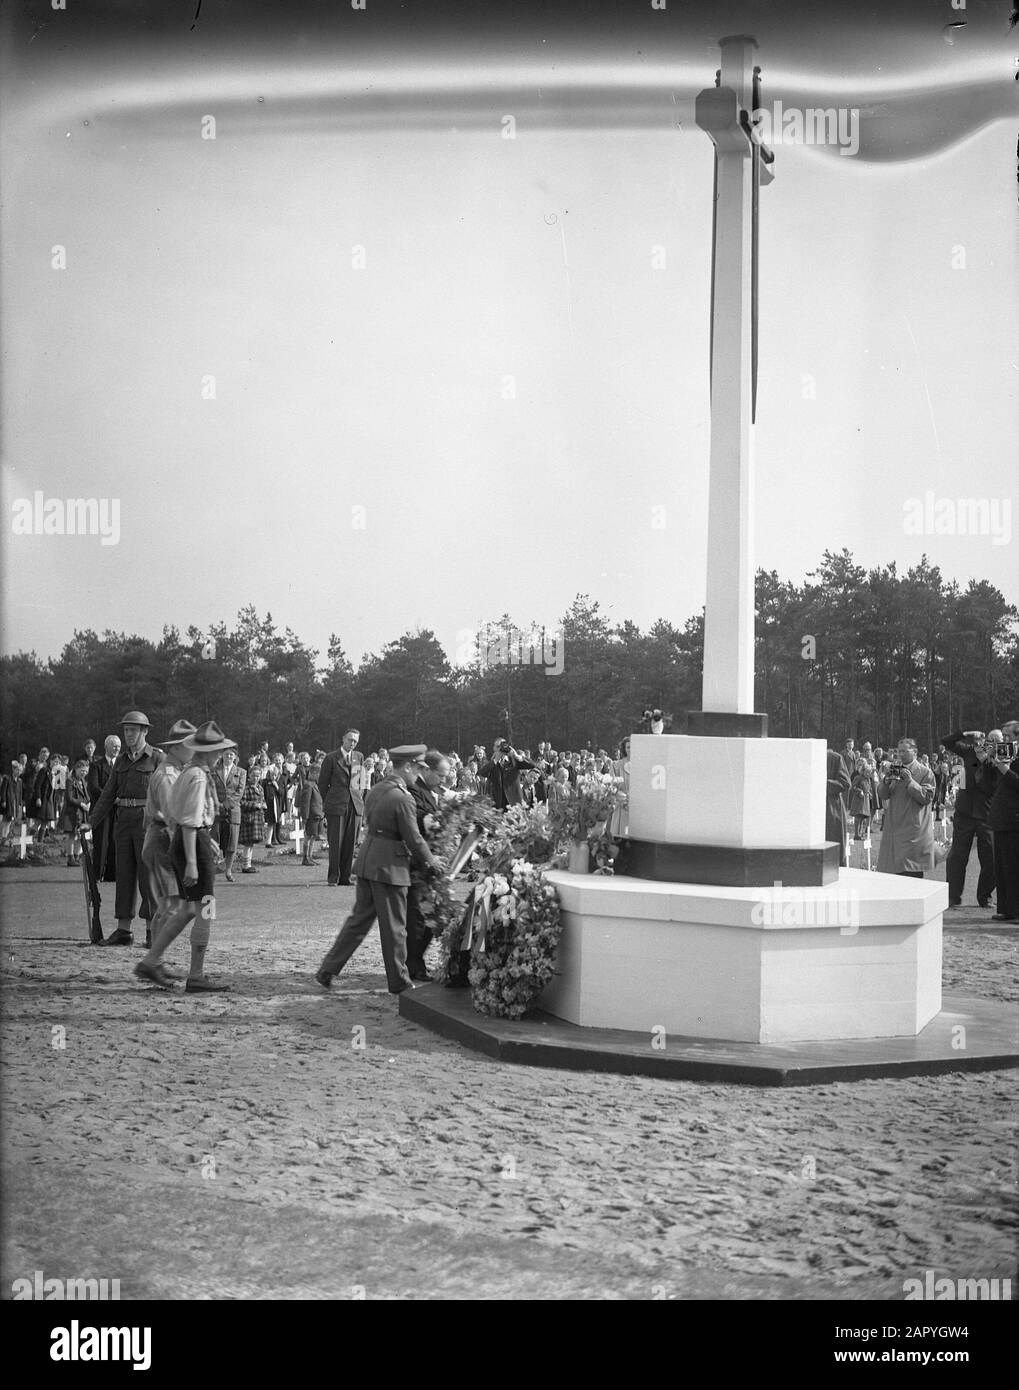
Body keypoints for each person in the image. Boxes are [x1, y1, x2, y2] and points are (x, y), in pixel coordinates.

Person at [314, 745, 442, 995]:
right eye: (417, 769)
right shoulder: (403, 797)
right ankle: (399, 982)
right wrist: (432, 861)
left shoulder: (377, 789)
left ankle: (327, 969)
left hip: (368, 862)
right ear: (407, 767)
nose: (418, 775)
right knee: (394, 928)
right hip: (390, 868)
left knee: (357, 923)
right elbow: (413, 837)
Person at [140, 720, 234, 992]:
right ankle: (196, 975)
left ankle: (152, 959)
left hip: (187, 840)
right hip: (192, 840)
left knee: (189, 908)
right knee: (205, 907)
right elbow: (191, 821)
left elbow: (178, 817)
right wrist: (193, 861)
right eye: (217, 751)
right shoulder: (197, 776)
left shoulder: (186, 772)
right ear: (205, 751)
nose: (220, 756)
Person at [88, 712, 163, 947]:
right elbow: (108, 794)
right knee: (124, 874)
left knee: (148, 876)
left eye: (133, 730)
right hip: (123, 821)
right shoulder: (120, 761)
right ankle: (124, 930)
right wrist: (90, 823)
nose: (129, 734)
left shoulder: (158, 758)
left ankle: (153, 931)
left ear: (145, 732)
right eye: (126, 730)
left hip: (147, 822)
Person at [134, 719, 196, 986]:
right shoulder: (169, 775)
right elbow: (173, 817)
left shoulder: (171, 770)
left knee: (167, 906)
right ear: (180, 747)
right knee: (171, 906)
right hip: (163, 839)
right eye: (192, 745)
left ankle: (156, 961)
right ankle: (152, 963)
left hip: (158, 838)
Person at [405, 749, 449, 981]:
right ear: (428, 771)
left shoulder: (430, 791)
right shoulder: (414, 789)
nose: (443, 781)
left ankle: (414, 962)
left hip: (429, 863)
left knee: (429, 917)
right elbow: (418, 816)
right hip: (415, 863)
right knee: (418, 918)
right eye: (440, 775)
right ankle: (413, 965)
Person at [941, 729, 996, 910]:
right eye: (990, 739)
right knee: (957, 857)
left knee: (990, 858)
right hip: (965, 812)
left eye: (997, 740)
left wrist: (986, 760)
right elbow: (946, 741)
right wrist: (965, 733)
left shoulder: (1000, 758)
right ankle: (953, 897)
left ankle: (985, 896)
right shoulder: (969, 751)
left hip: (987, 814)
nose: (992, 742)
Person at [875, 737, 935, 877]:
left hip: (913, 831)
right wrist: (885, 781)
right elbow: (884, 795)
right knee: (894, 876)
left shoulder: (925, 772)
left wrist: (910, 781)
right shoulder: (895, 770)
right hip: (895, 828)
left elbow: (927, 797)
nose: (900, 754)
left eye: (904, 751)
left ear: (915, 752)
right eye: (899, 751)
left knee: (911, 874)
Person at [318, 729, 365, 886]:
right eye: (350, 740)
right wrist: (329, 803)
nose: (352, 743)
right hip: (336, 806)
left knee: (350, 844)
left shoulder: (359, 757)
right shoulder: (331, 758)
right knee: (336, 843)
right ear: (343, 739)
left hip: (355, 805)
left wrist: (360, 803)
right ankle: (333, 877)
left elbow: (360, 783)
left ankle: (346, 877)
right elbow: (322, 784)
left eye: (355, 741)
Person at [986, 720, 1019, 923]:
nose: (1004, 740)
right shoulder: (1004, 755)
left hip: (1015, 819)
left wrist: (1005, 770)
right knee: (1002, 867)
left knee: (1014, 867)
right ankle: (1006, 907)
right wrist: (988, 759)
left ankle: (1016, 910)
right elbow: (987, 782)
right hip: (1001, 818)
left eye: (1007, 736)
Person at [87, 735, 121, 882]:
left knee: (114, 842)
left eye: (119, 746)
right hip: (101, 811)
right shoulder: (96, 765)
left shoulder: (120, 765)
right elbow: (93, 787)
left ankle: (111, 875)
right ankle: (97, 874)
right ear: (106, 747)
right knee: (101, 843)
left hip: (117, 810)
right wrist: (111, 798)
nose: (117, 749)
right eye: (114, 746)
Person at [213, 746, 246, 882]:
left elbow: (240, 791)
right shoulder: (214, 771)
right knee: (214, 841)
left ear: (235, 757)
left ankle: (228, 870)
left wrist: (227, 804)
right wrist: (217, 804)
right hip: (216, 810)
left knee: (231, 843)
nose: (229, 757)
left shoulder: (241, 772)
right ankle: (213, 869)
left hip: (233, 811)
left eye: (232, 755)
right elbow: (210, 788)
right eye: (227, 754)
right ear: (222, 755)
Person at [479, 738, 535, 811]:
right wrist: (495, 760)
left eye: (502, 746)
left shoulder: (514, 761)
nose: (500, 749)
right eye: (498, 747)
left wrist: (517, 756)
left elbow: (532, 765)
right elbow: (482, 773)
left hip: (514, 803)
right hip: (498, 804)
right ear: (494, 748)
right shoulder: (491, 763)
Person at [59, 758, 91, 866]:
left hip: (82, 812)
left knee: (81, 835)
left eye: (86, 771)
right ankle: (70, 858)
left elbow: (86, 796)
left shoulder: (82, 781)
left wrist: (88, 803)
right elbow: (69, 798)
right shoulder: (70, 780)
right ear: (76, 769)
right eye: (82, 771)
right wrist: (81, 804)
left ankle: (77, 856)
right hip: (71, 812)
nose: (84, 773)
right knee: (72, 835)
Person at [825, 746, 851, 866]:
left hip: (832, 808)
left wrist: (821, 783)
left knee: (833, 848)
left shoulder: (834, 758)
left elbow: (845, 783)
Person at [297, 754, 325, 867]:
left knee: (313, 836)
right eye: (319, 774)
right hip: (311, 815)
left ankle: (310, 856)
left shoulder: (316, 785)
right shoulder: (308, 785)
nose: (320, 776)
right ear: (313, 773)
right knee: (308, 836)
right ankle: (305, 857)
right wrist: (305, 817)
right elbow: (305, 803)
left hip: (318, 815)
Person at [238, 762, 266, 873]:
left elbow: (262, 800)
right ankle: (245, 865)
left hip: (258, 819)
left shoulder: (260, 788)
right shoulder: (246, 788)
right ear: (249, 775)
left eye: (258, 776)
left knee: (252, 843)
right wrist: (254, 805)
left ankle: (249, 863)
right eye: (254, 775)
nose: (256, 778)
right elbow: (242, 802)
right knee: (247, 843)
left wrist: (263, 805)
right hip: (249, 819)